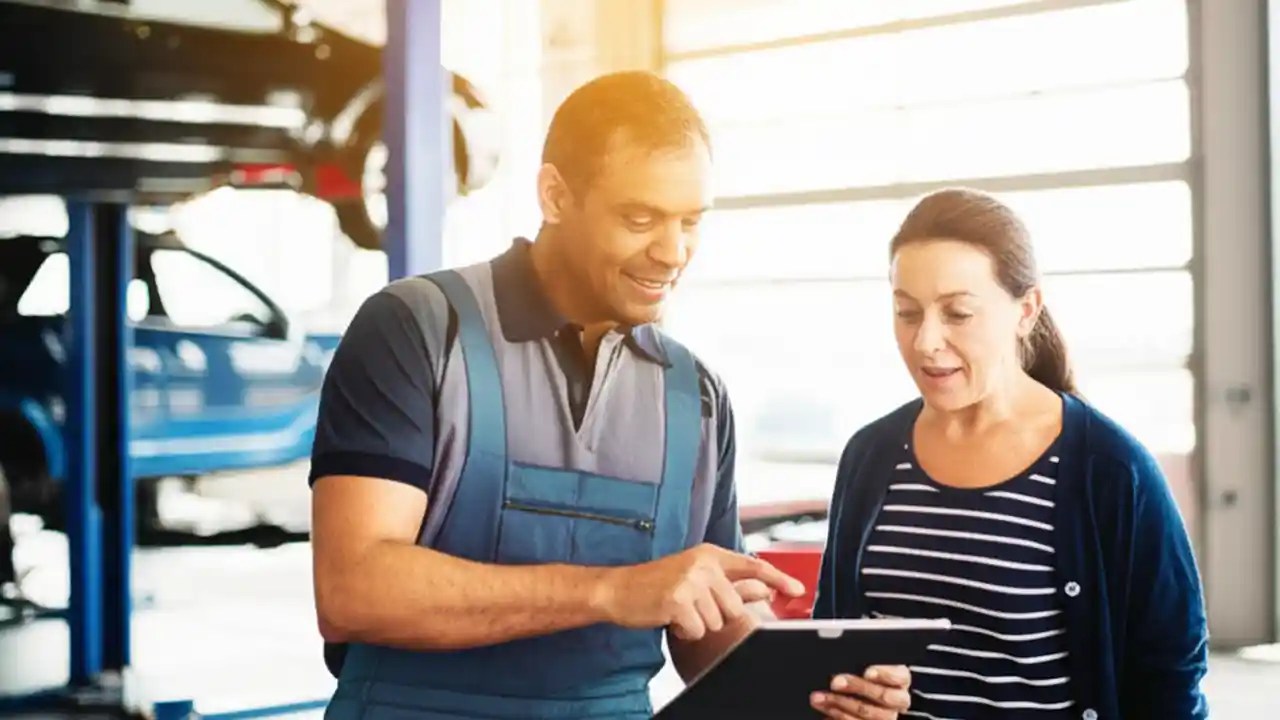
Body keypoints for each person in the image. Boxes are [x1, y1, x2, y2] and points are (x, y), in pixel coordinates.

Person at [308, 71, 911, 720]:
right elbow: (353, 590)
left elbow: (708, 631)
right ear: (555, 195)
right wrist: (611, 592)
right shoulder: (418, 330)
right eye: (641, 218)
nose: (673, 251)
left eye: (690, 221)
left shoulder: (695, 397)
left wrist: (817, 690)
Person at [812, 187, 1210, 719]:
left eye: (957, 313)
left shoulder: (1110, 470)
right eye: (908, 313)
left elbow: (1171, 678)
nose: (926, 341)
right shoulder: (870, 456)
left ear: (1026, 310)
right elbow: (832, 653)